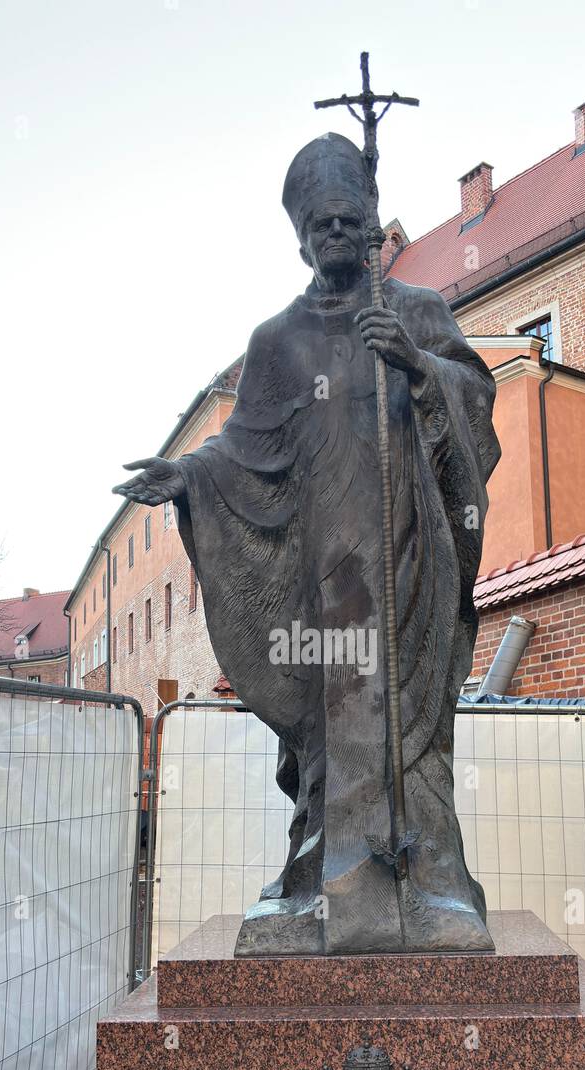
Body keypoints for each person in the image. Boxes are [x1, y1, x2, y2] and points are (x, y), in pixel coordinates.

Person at [114, 133, 501, 956]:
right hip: (324, 580)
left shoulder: (416, 311)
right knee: (331, 730)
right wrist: (187, 478)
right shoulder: (276, 341)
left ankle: (431, 886)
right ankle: (317, 887)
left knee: (413, 722)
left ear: (370, 229)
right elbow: (245, 449)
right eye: (319, 223)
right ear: (298, 236)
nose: (334, 234)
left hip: (410, 561)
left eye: (348, 220)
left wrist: (419, 368)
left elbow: (473, 403)